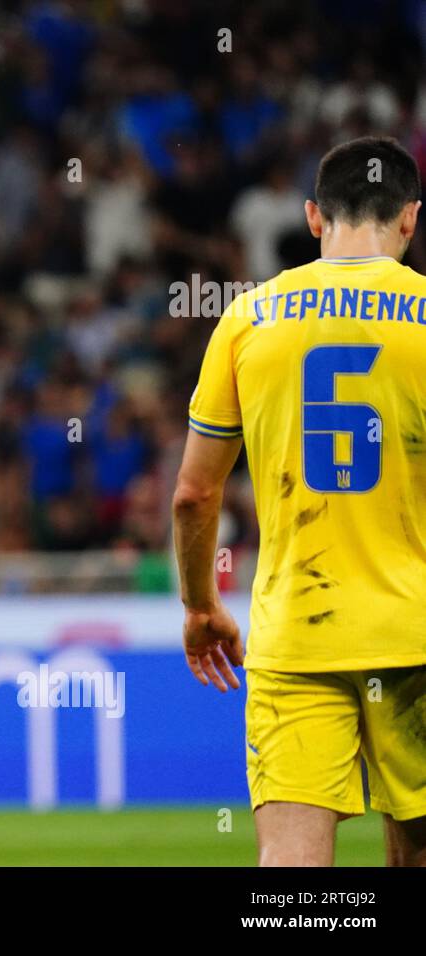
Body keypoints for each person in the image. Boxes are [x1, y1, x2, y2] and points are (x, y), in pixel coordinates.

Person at [173, 136, 426, 867]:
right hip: (414, 632)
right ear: (410, 220)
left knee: (292, 878)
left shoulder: (248, 319)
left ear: (315, 217)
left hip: (296, 636)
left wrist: (200, 607)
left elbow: (194, 495)